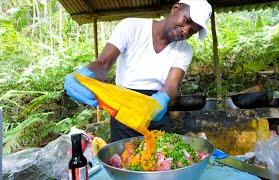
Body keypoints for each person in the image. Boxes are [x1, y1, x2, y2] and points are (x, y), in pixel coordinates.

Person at [64, 0, 212, 142]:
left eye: (192, 31)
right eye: (187, 20)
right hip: (123, 109)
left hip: (155, 109)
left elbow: (171, 85)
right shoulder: (131, 27)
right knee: (124, 159)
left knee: (161, 160)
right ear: (176, 8)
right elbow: (102, 64)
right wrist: (83, 75)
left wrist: (163, 98)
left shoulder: (185, 50)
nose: (186, 30)